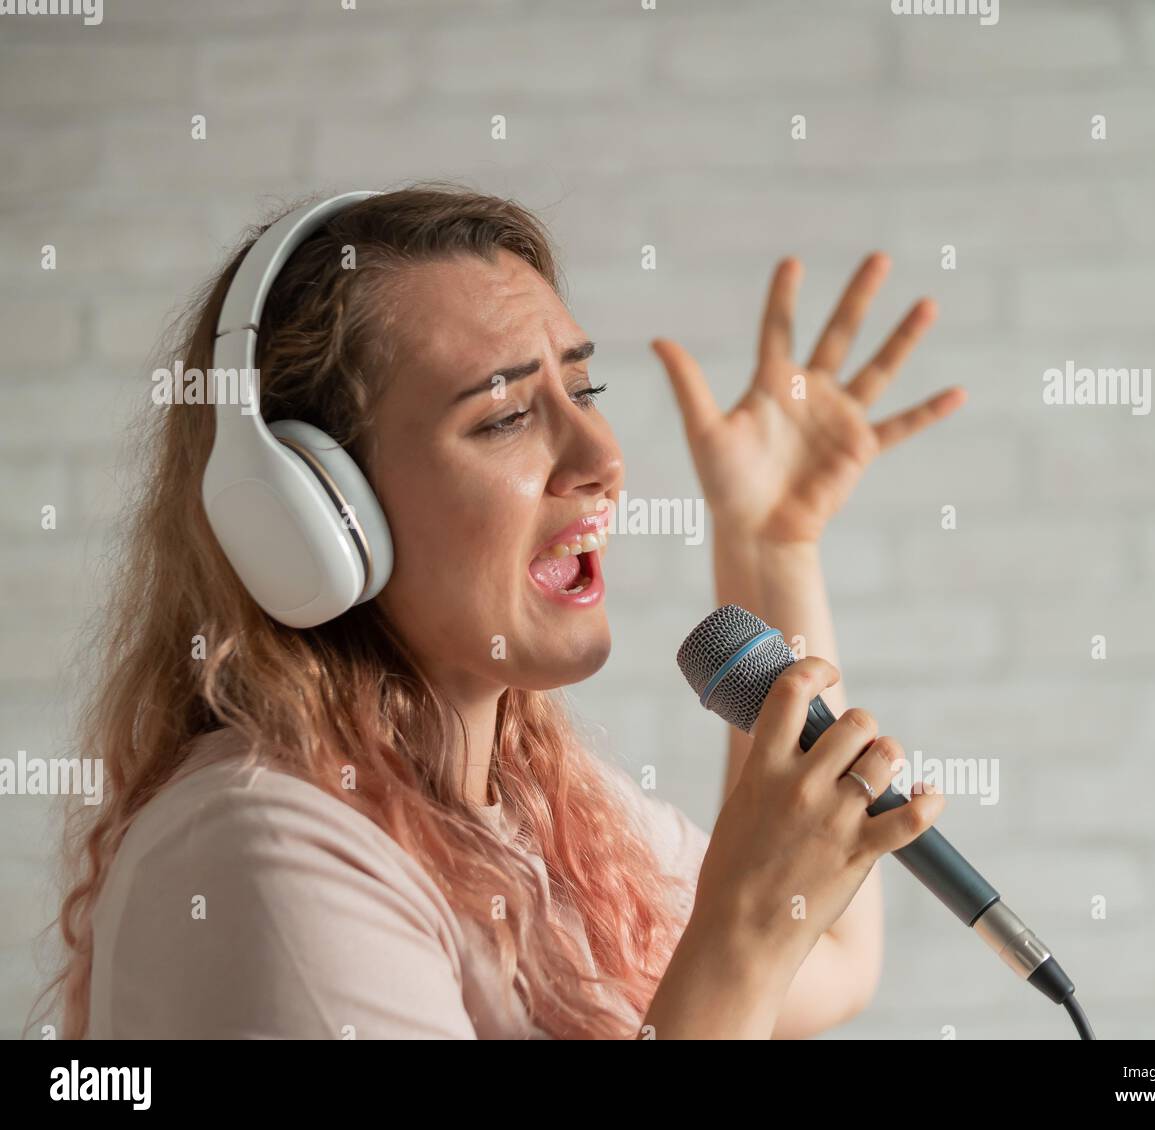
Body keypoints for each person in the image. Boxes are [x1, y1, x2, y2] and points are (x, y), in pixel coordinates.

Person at [34, 182, 963, 1040]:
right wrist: (744, 935)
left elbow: (830, 959)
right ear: (313, 512)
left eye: (583, 388)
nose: (601, 451)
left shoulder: (546, 813)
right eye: (505, 416)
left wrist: (768, 546)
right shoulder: (263, 849)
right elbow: (756, 957)